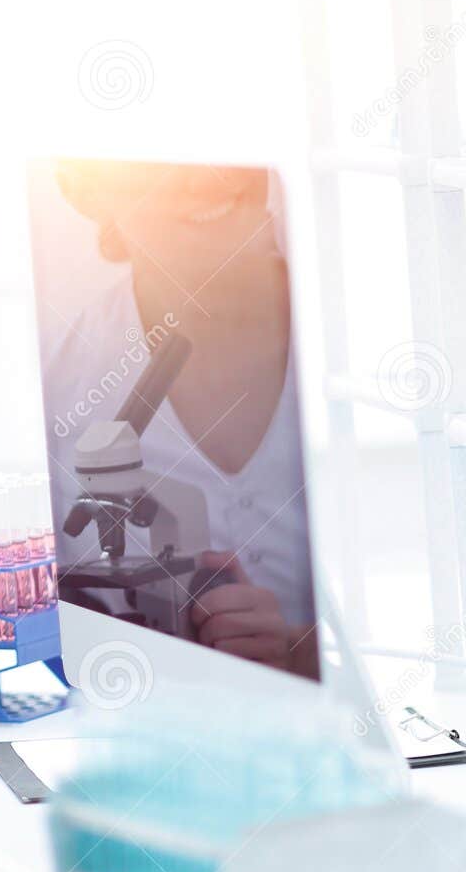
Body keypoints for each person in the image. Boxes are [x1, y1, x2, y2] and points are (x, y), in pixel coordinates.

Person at [39, 160, 319, 678]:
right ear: (90, 188)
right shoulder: (53, 380)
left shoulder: (363, 350)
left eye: (227, 147)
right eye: (162, 163)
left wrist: (304, 653)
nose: (210, 178)